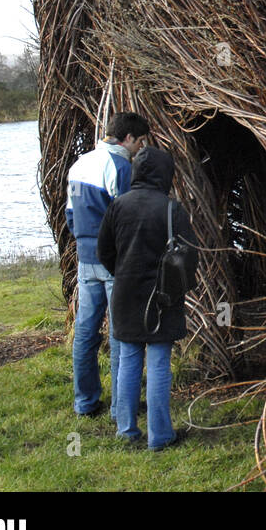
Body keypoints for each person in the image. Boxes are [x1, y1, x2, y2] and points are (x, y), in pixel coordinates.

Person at [97, 145, 198, 450]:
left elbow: (104, 251)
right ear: (165, 174)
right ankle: (160, 436)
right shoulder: (172, 209)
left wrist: (122, 272)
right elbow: (190, 255)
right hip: (163, 298)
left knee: (128, 361)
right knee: (157, 364)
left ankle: (126, 430)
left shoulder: (118, 206)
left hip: (125, 295)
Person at [65, 111, 150, 417]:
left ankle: (85, 402)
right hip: (115, 261)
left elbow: (71, 216)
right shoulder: (120, 166)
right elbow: (126, 216)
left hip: (86, 259)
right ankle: (120, 406)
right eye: (140, 141)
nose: (141, 148)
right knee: (120, 332)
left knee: (86, 331)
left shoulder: (79, 164)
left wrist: (87, 244)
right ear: (127, 138)